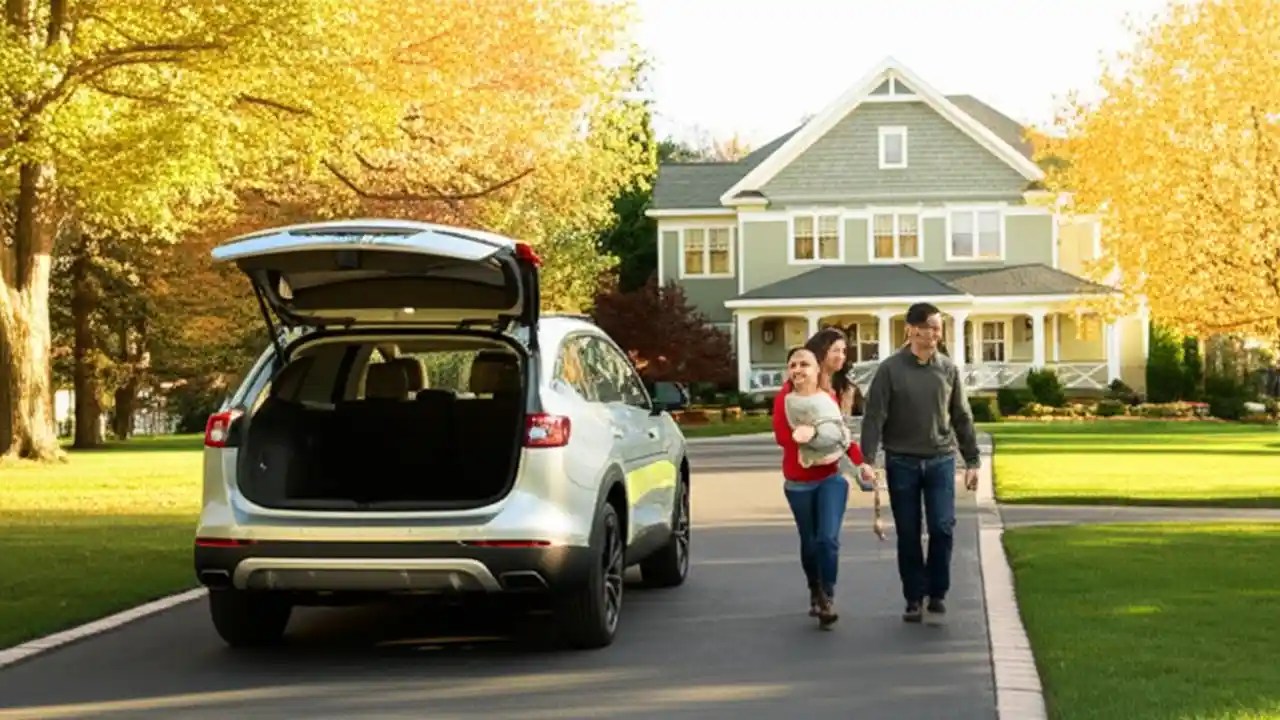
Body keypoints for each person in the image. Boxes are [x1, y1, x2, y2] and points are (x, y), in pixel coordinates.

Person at [859, 302, 981, 626]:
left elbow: (962, 416)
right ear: (911, 329)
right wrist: (867, 459)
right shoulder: (890, 370)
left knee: (942, 527)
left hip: (941, 460)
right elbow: (874, 418)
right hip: (902, 462)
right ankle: (914, 597)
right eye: (929, 326)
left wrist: (972, 460)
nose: (935, 333)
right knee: (909, 532)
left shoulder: (948, 369)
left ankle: (937, 591)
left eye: (939, 327)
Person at [772, 345, 875, 629]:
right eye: (793, 365)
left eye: (804, 365)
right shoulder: (785, 399)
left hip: (830, 478)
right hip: (798, 483)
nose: (798, 370)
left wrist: (861, 463)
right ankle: (814, 589)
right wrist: (811, 434)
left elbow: (841, 436)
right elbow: (783, 436)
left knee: (827, 539)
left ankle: (826, 595)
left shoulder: (828, 398)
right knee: (810, 541)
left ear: (818, 369)